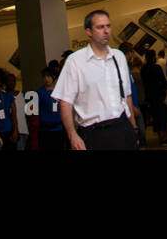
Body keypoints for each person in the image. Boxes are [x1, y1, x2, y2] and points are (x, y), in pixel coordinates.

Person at [51, 10, 138, 150]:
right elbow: (65, 102)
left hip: (122, 128)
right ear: (89, 32)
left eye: (108, 26)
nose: (106, 31)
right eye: (100, 27)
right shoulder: (75, 61)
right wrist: (72, 135)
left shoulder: (119, 57)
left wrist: (134, 129)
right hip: (93, 133)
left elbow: (127, 96)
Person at [140, 49, 167, 145]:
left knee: (156, 117)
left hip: (150, 96)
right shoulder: (156, 67)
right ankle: (165, 138)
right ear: (154, 57)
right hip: (160, 94)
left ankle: (160, 137)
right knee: (164, 116)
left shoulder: (143, 69)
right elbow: (163, 80)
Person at [36, 67, 65, 150]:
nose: (46, 79)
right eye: (44, 77)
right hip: (45, 130)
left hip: (58, 129)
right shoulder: (39, 92)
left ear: (54, 76)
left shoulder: (60, 91)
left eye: (48, 76)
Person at [0, 67, 17, 150]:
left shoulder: (8, 96)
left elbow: (13, 116)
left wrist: (15, 131)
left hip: (9, 132)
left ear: (1, 82)